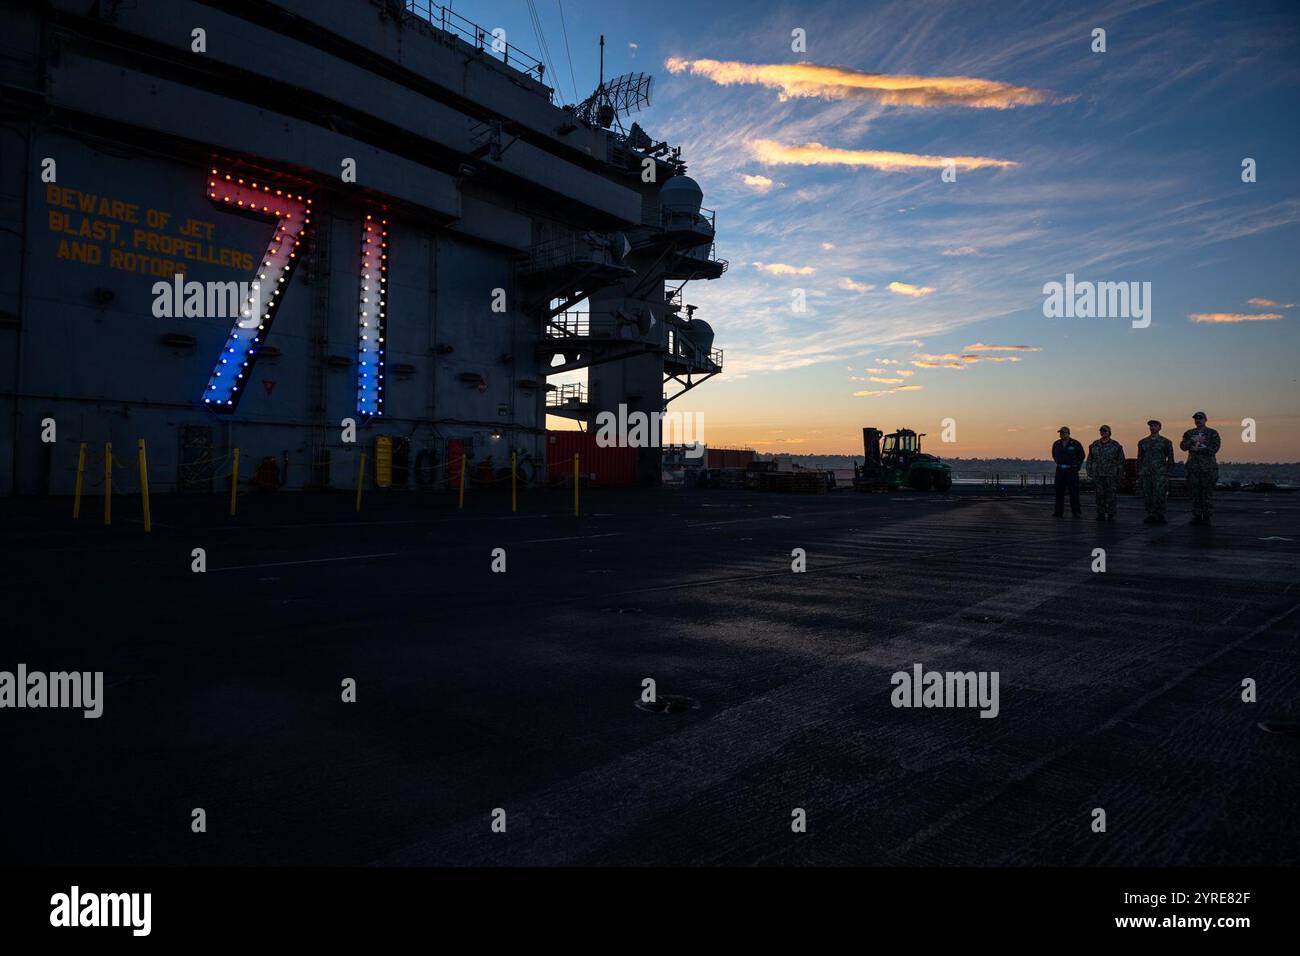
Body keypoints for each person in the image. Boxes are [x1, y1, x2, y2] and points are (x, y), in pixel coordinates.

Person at [1179, 411, 1221, 525]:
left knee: (1207, 493)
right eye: (1196, 418)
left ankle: (1206, 516)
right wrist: (1192, 441)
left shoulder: (1212, 433)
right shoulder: (1189, 433)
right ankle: (1197, 515)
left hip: (1208, 468)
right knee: (1195, 493)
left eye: (1200, 418)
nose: (1198, 420)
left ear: (1205, 419)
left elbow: (1215, 448)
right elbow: (1183, 446)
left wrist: (1200, 449)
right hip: (1193, 468)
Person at [1136, 419, 1175, 524]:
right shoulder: (1143, 442)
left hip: (1160, 473)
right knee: (1148, 494)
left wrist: (1167, 472)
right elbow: (1140, 458)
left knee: (1160, 494)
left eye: (1155, 425)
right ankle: (1151, 514)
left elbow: (1170, 459)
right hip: (1146, 473)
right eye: (1151, 426)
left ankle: (1160, 514)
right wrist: (1139, 471)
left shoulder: (1165, 442)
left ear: (1159, 428)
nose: (1152, 427)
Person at [1086, 425, 1125, 521]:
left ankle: (1111, 513)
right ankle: (1101, 513)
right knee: (1099, 495)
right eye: (1101, 431)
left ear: (1109, 433)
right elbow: (1090, 459)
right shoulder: (1094, 444)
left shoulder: (1116, 445)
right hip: (1098, 474)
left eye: (1105, 431)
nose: (1103, 433)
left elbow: (1121, 461)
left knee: (1111, 495)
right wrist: (1089, 470)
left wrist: (1120, 474)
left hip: (1111, 474)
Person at [1051, 426, 1084, 517]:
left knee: (1073, 492)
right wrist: (1059, 462)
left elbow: (1081, 456)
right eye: (1060, 433)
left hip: (1071, 471)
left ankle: (1076, 512)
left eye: (1063, 432)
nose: (1061, 434)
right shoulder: (1056, 444)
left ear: (1068, 434)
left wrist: (1076, 466)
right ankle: (1058, 512)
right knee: (1059, 492)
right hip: (1060, 470)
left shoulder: (1075, 444)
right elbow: (1054, 455)